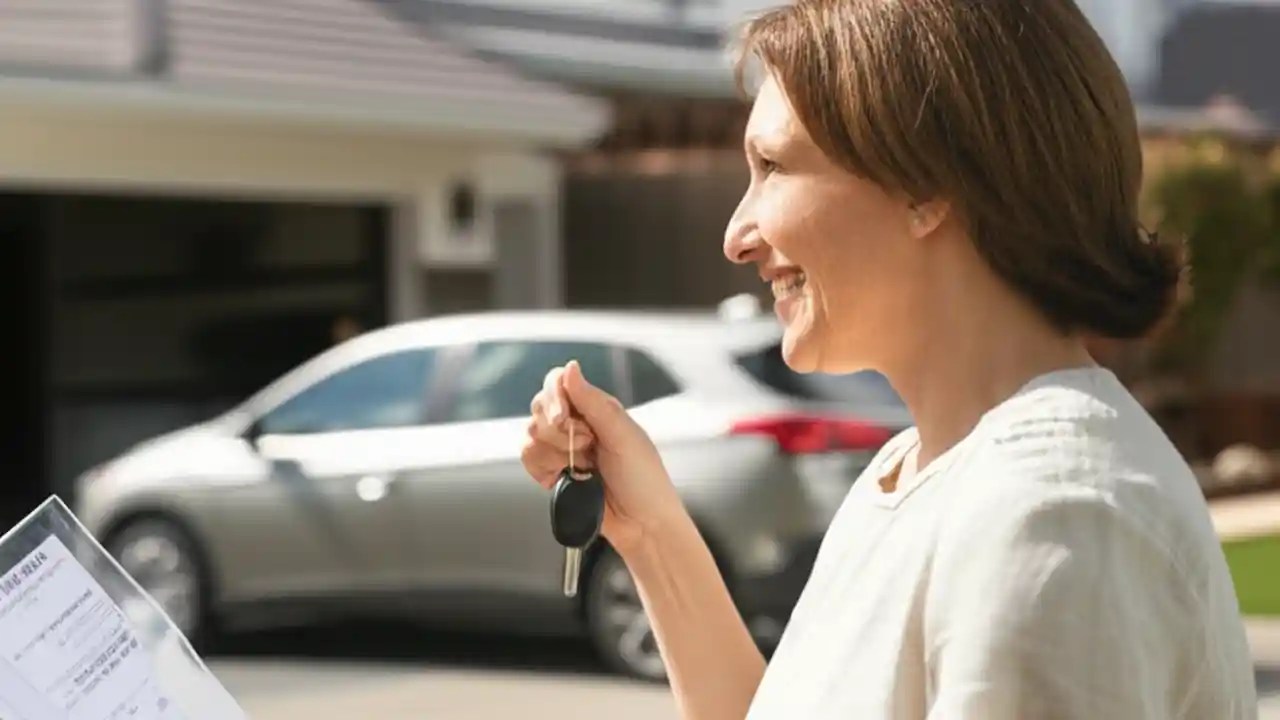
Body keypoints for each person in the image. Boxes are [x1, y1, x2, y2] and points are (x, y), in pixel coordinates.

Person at [522, 1, 1259, 718]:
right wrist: (649, 530)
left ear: (924, 181)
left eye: (773, 165)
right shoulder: (918, 471)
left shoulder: (1051, 513)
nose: (736, 236)